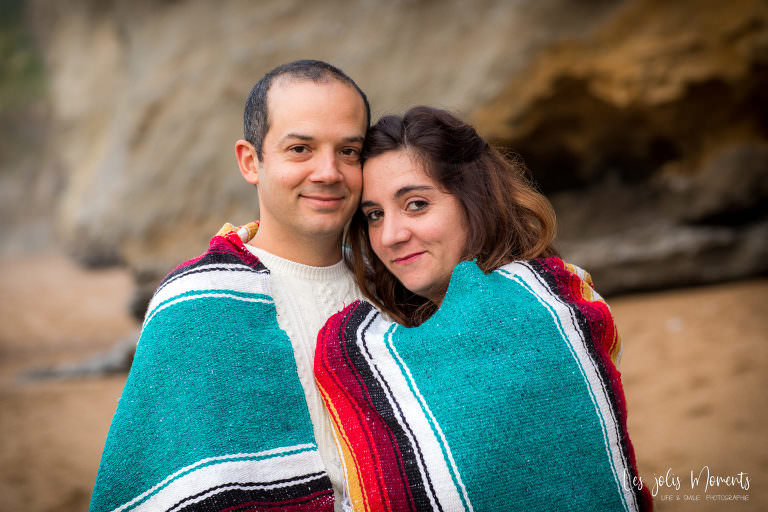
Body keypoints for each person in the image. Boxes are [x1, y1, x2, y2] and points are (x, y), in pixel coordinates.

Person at [314, 107, 654, 511]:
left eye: (417, 204)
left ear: (473, 201)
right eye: (373, 215)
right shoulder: (407, 335)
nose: (390, 236)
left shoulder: (542, 315)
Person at [90, 60, 369, 512]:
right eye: (300, 149)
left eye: (349, 151)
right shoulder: (194, 305)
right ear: (250, 161)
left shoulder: (396, 295)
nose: (328, 171)